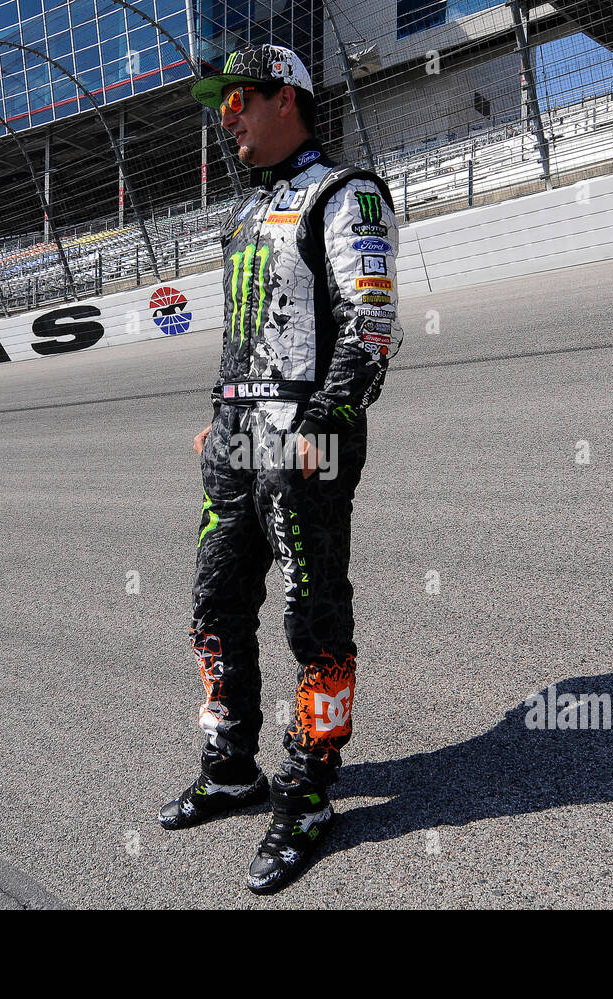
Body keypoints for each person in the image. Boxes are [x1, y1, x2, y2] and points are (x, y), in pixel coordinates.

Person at [159, 44, 403, 895]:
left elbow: (372, 326)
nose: (224, 115)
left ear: (286, 98)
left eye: (238, 100)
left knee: (313, 616)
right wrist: (219, 413)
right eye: (220, 103)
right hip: (234, 441)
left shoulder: (346, 193)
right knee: (213, 603)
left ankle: (310, 787)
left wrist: (324, 418)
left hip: (309, 441)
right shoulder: (247, 210)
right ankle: (232, 768)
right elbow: (251, 332)